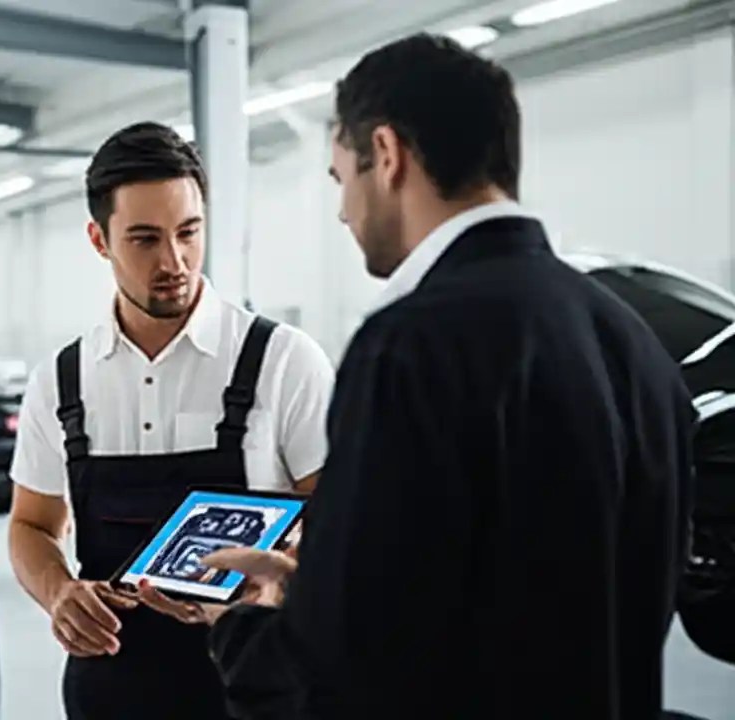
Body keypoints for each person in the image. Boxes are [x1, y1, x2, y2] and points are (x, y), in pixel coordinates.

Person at [137, 33, 696, 719]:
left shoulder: (410, 345)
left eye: (342, 179)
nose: (343, 211)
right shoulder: (634, 343)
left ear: (388, 154)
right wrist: (320, 588)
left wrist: (239, 631)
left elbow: (340, 679)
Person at [7, 121, 336, 719]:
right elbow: (31, 524)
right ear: (98, 240)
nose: (174, 261)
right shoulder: (61, 380)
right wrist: (59, 592)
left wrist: (278, 573)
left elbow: (338, 521)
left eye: (189, 232)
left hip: (252, 689)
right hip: (109, 693)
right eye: (144, 239)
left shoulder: (284, 361)